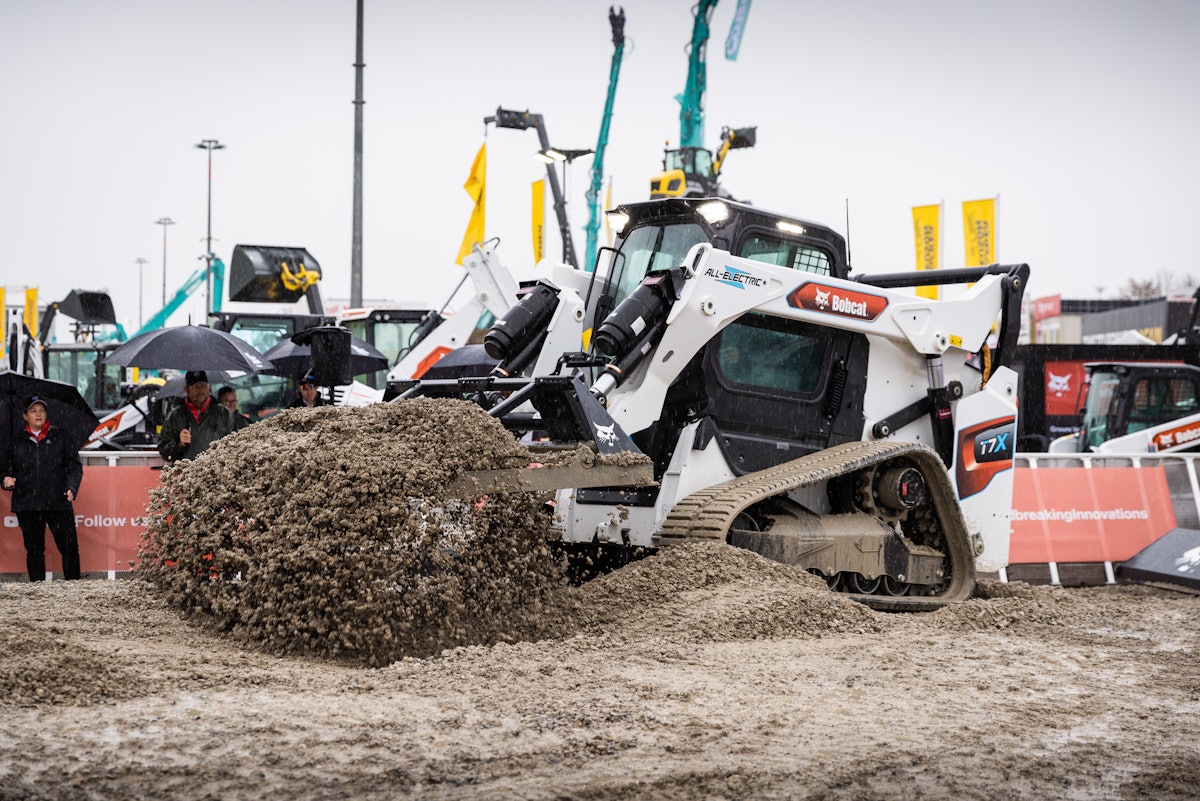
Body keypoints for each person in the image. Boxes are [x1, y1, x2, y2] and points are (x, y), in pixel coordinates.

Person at [2, 396, 83, 581]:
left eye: (42, 410)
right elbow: (4, 469)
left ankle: (75, 589)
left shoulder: (61, 437)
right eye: (33, 410)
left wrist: (72, 487)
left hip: (58, 502)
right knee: (34, 550)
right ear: (24, 416)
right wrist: (5, 479)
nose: (38, 414)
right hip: (27, 504)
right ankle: (37, 591)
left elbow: (74, 467)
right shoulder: (15, 441)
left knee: (69, 548)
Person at [157, 370, 234, 462]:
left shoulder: (223, 413)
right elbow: (163, 451)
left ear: (209, 387)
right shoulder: (175, 416)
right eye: (195, 387)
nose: (200, 390)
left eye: (203, 386)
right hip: (185, 473)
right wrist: (178, 443)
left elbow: (234, 446)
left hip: (215, 473)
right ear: (186, 389)